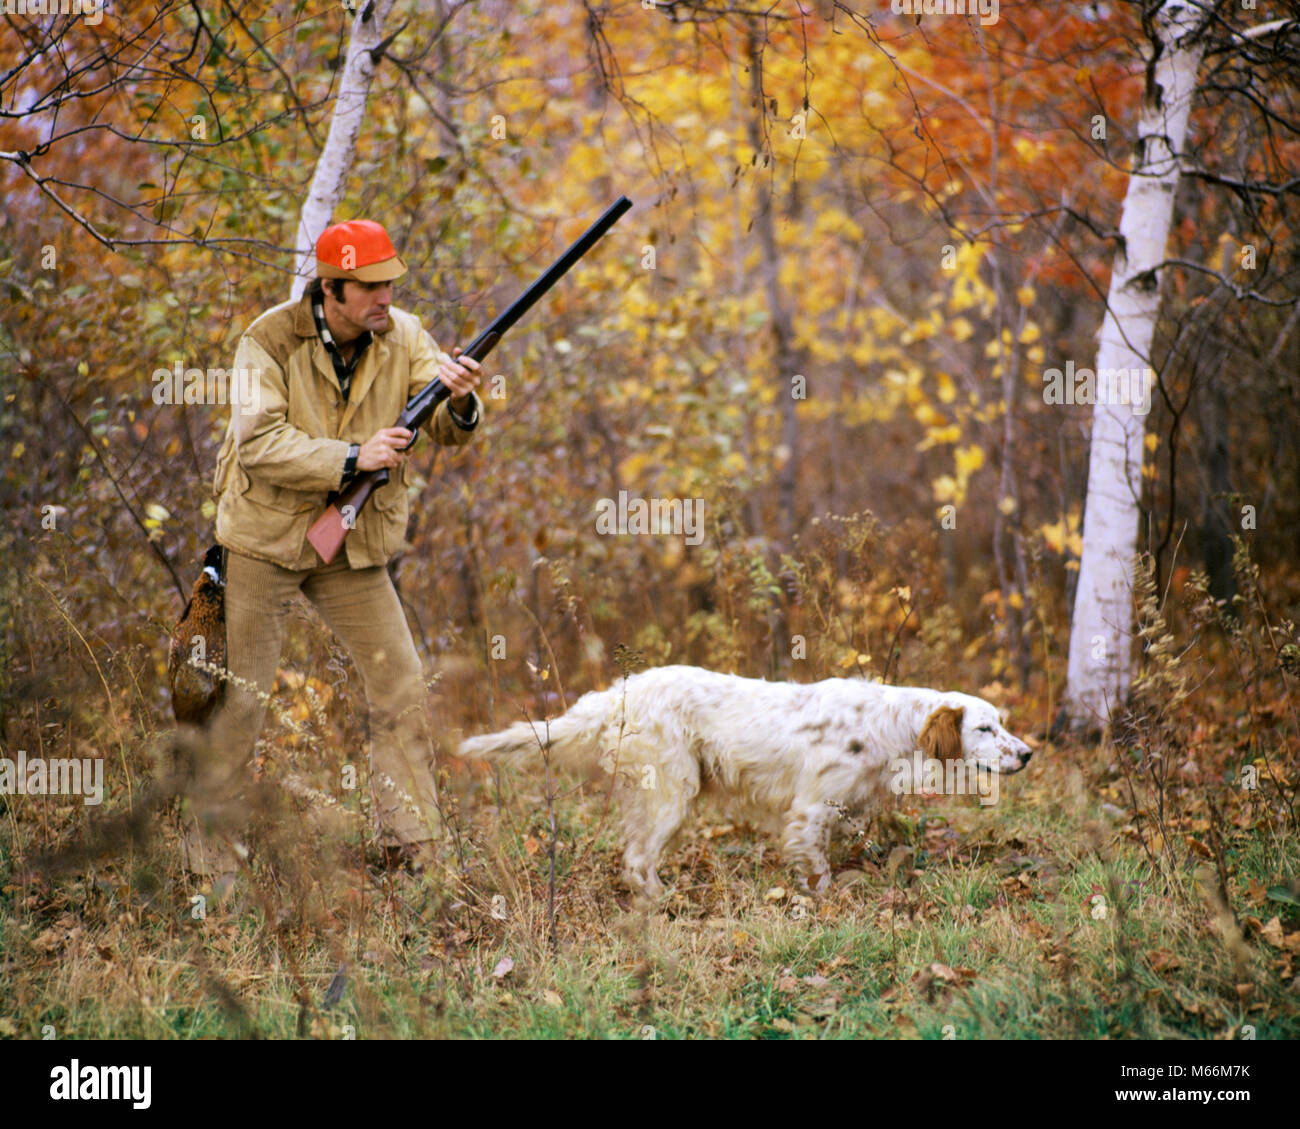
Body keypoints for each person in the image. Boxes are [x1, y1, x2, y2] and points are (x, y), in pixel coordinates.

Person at [183, 218, 483, 878]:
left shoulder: (402, 334)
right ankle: (213, 868)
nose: (385, 296)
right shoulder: (268, 339)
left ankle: (419, 849)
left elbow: (447, 426)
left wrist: (460, 402)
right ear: (331, 288)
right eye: (370, 286)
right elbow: (259, 444)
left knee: (401, 683)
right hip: (265, 537)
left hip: (347, 544)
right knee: (241, 700)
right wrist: (353, 455)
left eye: (389, 283)